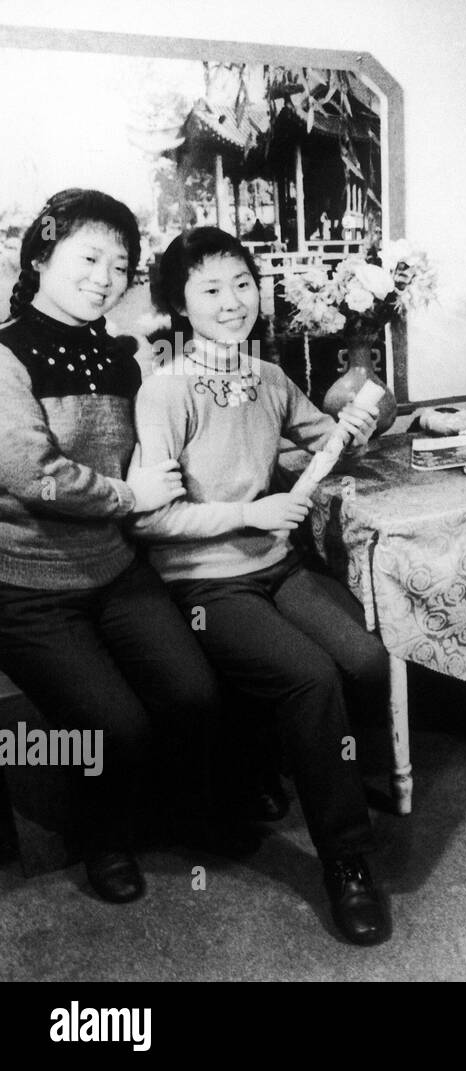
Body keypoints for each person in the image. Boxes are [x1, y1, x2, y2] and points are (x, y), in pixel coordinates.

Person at [129, 227, 393, 946]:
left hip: (276, 564)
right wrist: (252, 510)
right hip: (208, 586)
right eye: (210, 289)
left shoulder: (268, 377)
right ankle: (348, 861)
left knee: (367, 659)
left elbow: (323, 437)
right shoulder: (165, 392)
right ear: (179, 304)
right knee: (310, 678)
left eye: (241, 283)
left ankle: (325, 777)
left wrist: (358, 425)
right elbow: (152, 519)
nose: (232, 300)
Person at [0, 189, 227, 904]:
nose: (104, 276)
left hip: (115, 567)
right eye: (88, 257)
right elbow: (34, 476)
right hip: (28, 587)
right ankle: (104, 839)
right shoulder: (5, 354)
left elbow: (157, 448)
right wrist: (132, 497)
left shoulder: (121, 357)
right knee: (114, 724)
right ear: (41, 255)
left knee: (193, 691)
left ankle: (173, 810)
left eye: (120, 264)